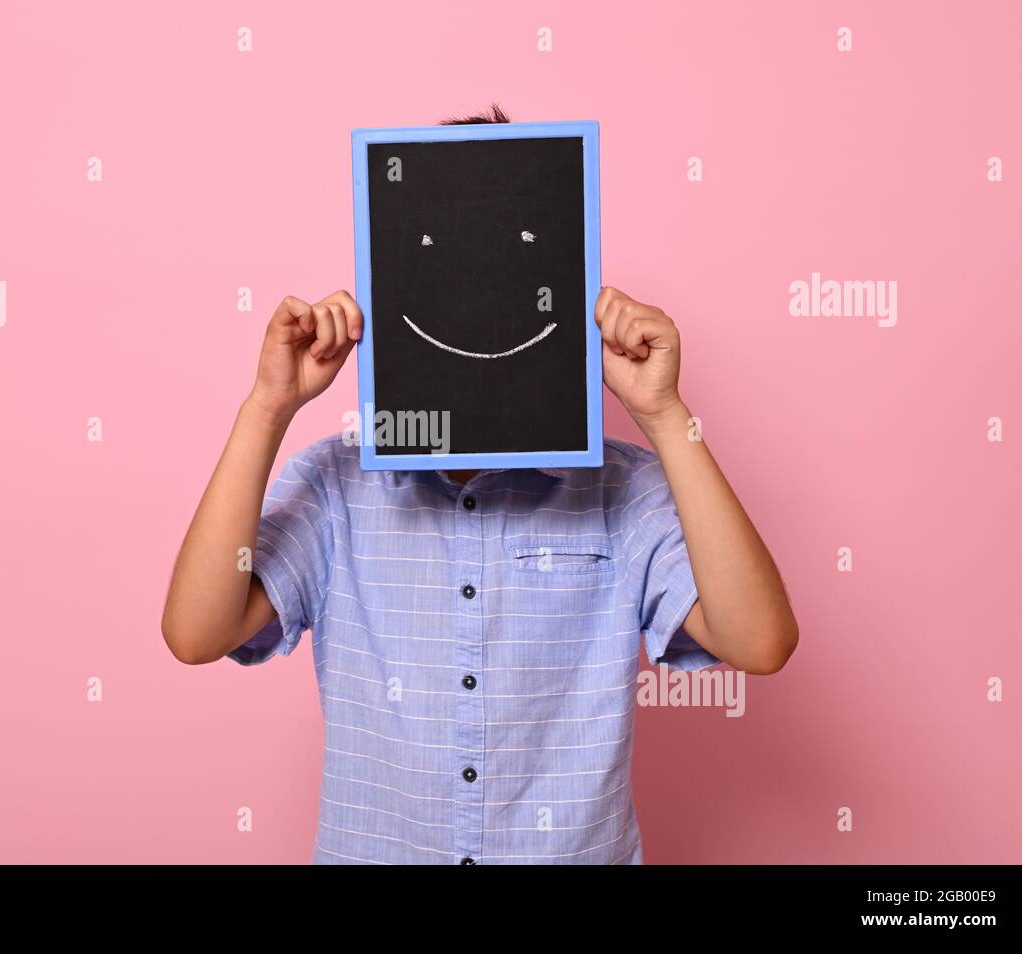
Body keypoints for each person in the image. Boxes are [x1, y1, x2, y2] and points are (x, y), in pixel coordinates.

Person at [161, 109, 798, 865]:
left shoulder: (620, 493)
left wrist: (664, 414)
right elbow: (196, 634)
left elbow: (760, 642)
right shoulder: (338, 486)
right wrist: (267, 407)